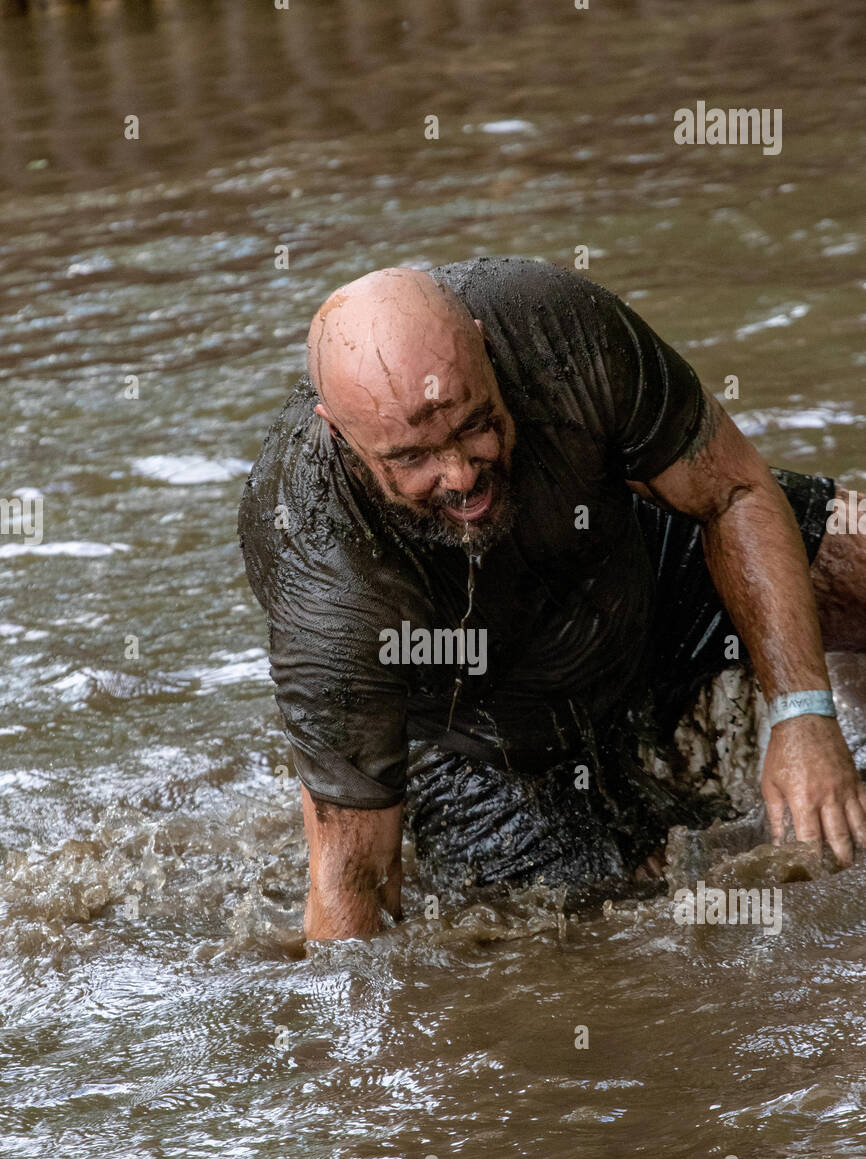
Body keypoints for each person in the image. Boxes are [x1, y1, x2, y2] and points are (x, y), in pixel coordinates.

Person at [238, 256, 866, 940]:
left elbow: (734, 492)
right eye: (413, 459)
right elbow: (351, 882)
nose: (460, 475)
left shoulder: (559, 331)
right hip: (480, 741)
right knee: (606, 938)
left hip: (637, 577)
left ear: (485, 345)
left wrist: (804, 715)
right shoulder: (318, 557)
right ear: (341, 435)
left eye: (475, 424)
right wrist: (361, 1034)